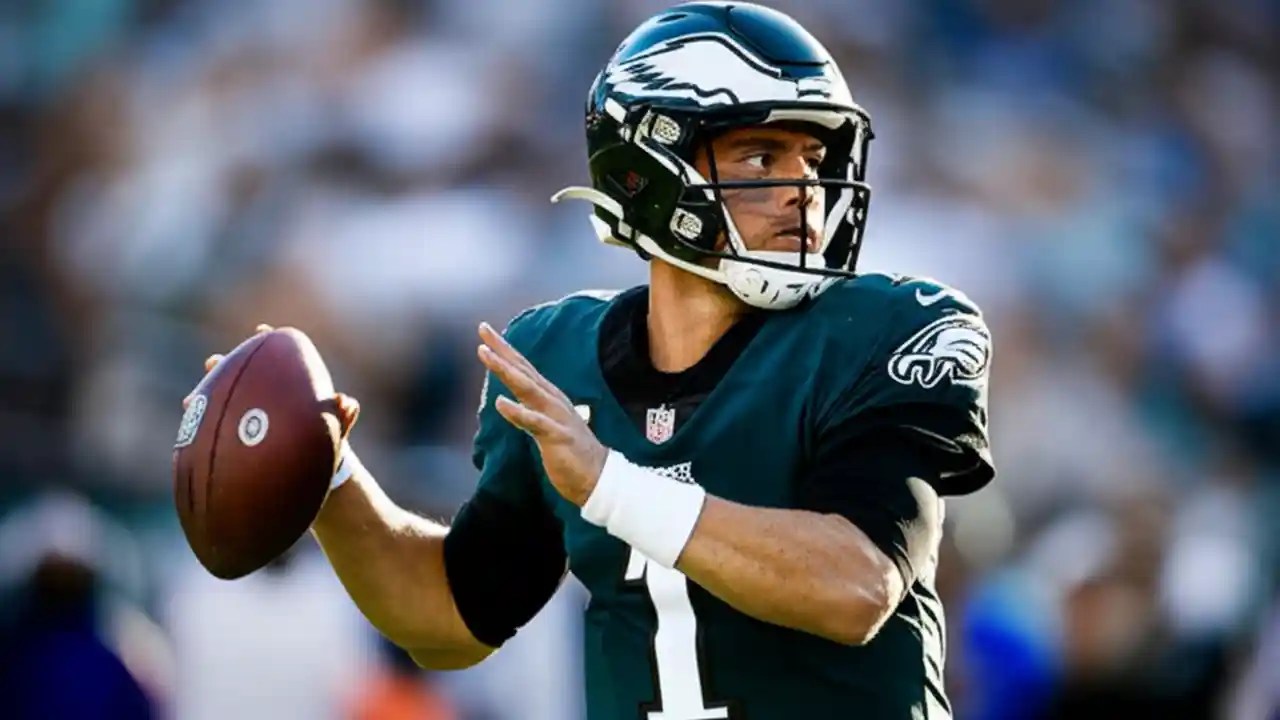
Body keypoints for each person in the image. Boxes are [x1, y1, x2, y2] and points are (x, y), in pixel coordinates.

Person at [192, 3, 994, 717]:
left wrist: (611, 486)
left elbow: (855, 587)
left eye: (813, 159)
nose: (803, 190)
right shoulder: (560, 358)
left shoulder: (884, 331)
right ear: (649, 171)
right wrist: (330, 480)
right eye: (761, 157)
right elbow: (450, 620)